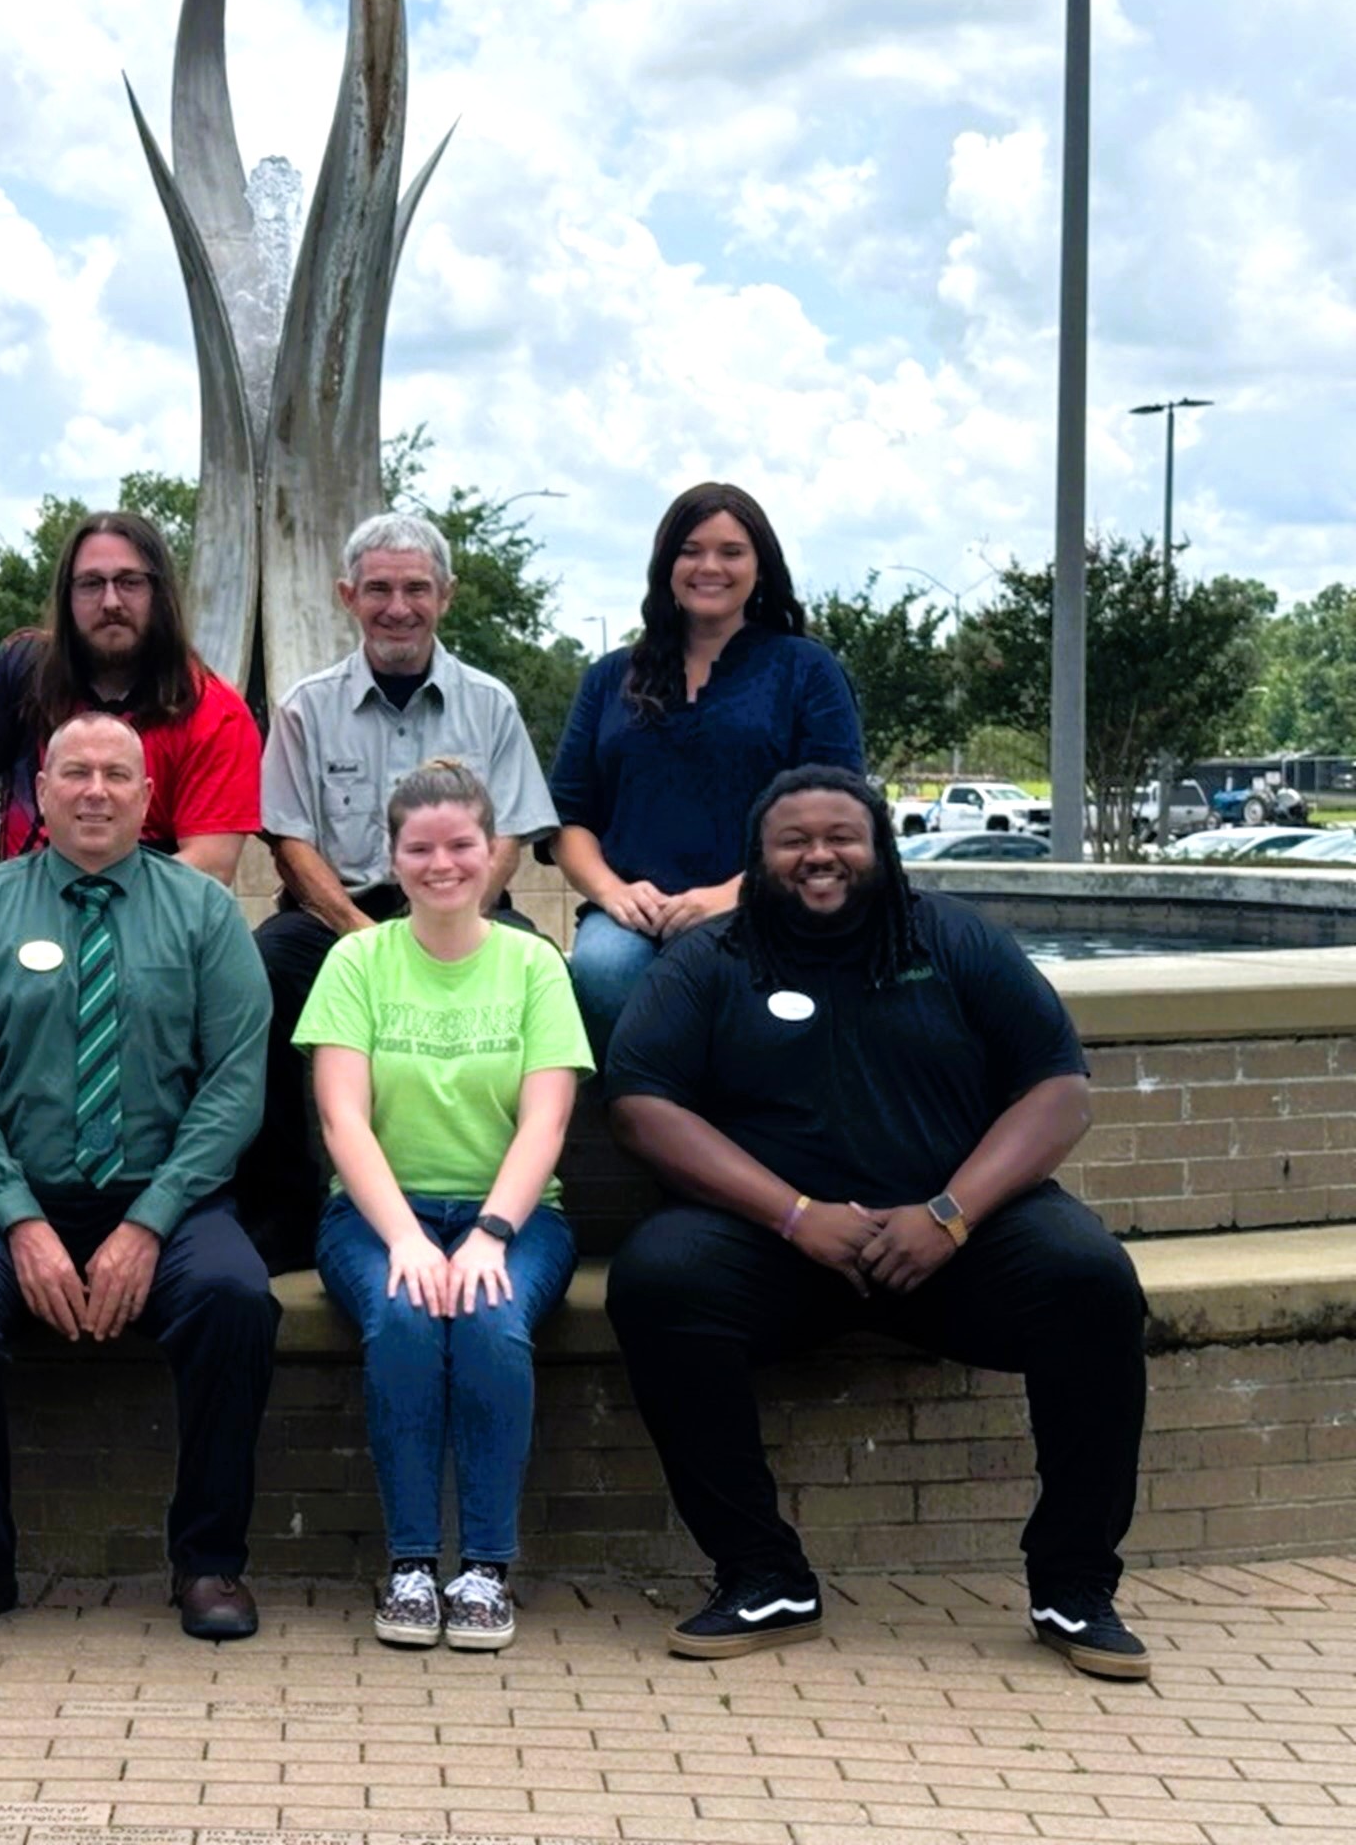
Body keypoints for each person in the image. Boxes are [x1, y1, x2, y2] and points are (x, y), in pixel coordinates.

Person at [604, 765, 1150, 1681]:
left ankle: (1074, 1584)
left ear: (880, 847)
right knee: (660, 1282)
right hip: (777, 1246)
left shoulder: (955, 939)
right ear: (759, 857)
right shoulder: (711, 959)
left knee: (1091, 1282)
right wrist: (794, 1214)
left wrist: (950, 1214)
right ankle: (763, 1574)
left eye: (842, 837)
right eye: (794, 842)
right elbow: (640, 1106)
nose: (820, 856)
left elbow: (1060, 1092)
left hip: (954, 1241)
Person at [0, 713, 275, 1642]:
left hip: (168, 1196)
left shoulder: (202, 913)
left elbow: (235, 1084)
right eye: (76, 773)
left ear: (150, 797)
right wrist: (19, 1220)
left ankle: (210, 1562)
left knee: (236, 1298)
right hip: (3, 1197)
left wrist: (149, 1222)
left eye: (118, 774)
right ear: (38, 791)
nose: (97, 790)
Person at [295, 759, 588, 1652]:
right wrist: (407, 1241)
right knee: (408, 1312)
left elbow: (546, 1119)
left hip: (518, 1216)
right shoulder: (356, 960)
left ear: (494, 852)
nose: (442, 863)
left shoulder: (534, 964)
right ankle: (414, 1564)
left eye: (461, 844)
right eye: (419, 848)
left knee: (493, 1320)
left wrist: (493, 1232)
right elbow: (343, 1120)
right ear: (393, 857)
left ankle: (486, 1569)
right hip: (378, 1215)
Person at [247, 512, 559, 1269]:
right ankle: (285, 1207)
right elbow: (290, 842)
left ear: (446, 596)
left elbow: (511, 831)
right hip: (339, 917)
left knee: (540, 959)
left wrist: (455, 920)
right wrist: (366, 935)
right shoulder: (304, 708)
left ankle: (512, 1199)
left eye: (416, 588)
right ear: (346, 596)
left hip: (467, 906)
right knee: (260, 972)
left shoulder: (490, 703)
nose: (398, 607)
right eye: (378, 589)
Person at [547, 482, 862, 1055]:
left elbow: (841, 817)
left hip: (766, 905)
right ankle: (653, 1120)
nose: (709, 566)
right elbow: (569, 818)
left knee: (743, 983)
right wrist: (613, 893)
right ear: (666, 566)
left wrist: (731, 895)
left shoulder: (806, 671)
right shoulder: (609, 678)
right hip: (631, 917)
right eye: (690, 551)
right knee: (602, 968)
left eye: (731, 552)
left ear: (760, 568)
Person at [0, 511, 260, 957]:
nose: (111, 601)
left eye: (129, 582)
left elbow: (209, 865)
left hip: (148, 940)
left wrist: (73, 911)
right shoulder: (22, 669)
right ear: (67, 597)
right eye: (91, 584)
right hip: (12, 931)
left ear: (160, 592)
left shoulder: (214, 709)